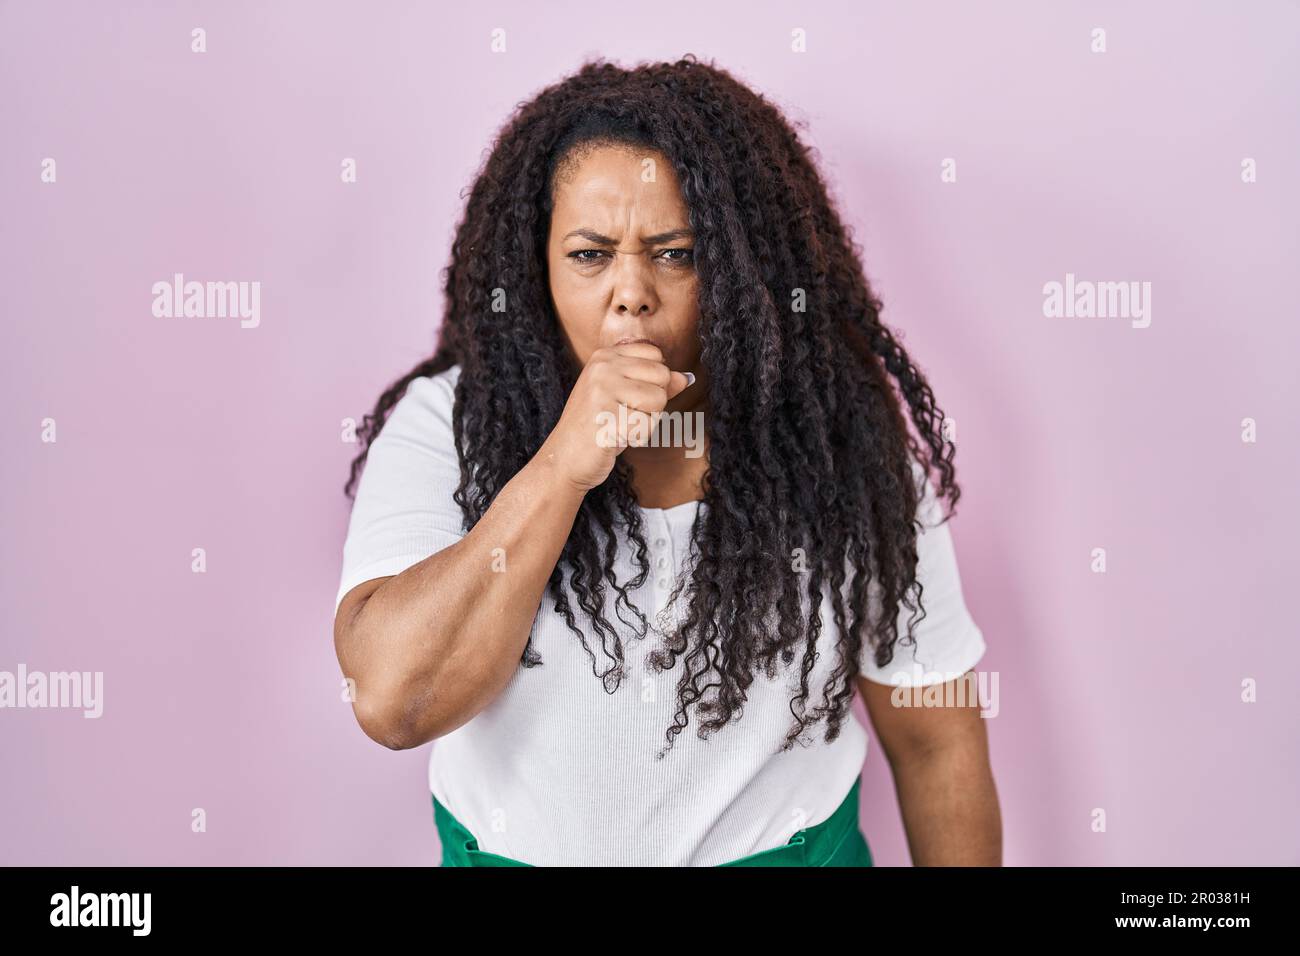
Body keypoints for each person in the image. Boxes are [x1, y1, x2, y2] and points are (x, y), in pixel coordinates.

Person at [333, 55, 1001, 866]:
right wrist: (562, 466)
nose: (631, 292)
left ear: (744, 269)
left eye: (676, 253)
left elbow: (937, 742)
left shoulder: (839, 439)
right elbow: (394, 704)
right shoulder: (449, 422)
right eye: (589, 254)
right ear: (535, 268)